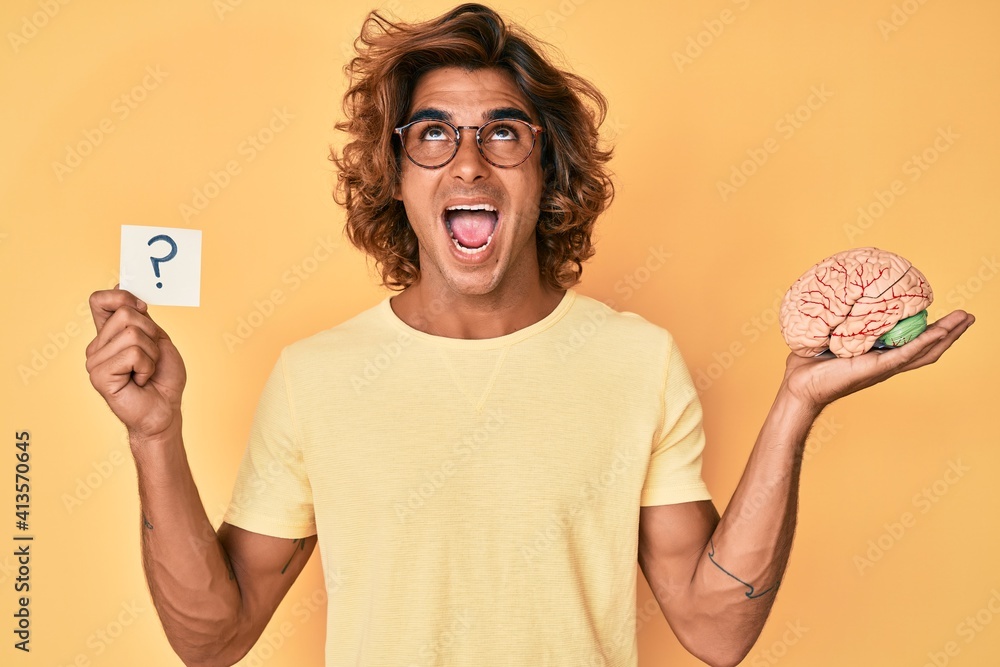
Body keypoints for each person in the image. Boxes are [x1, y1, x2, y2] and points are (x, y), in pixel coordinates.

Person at [84, 4, 974, 666]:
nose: (468, 163)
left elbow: (715, 627)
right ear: (396, 175)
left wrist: (795, 406)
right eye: (433, 134)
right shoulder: (313, 376)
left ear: (546, 169)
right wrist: (154, 434)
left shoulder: (637, 361)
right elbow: (212, 639)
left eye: (502, 133)